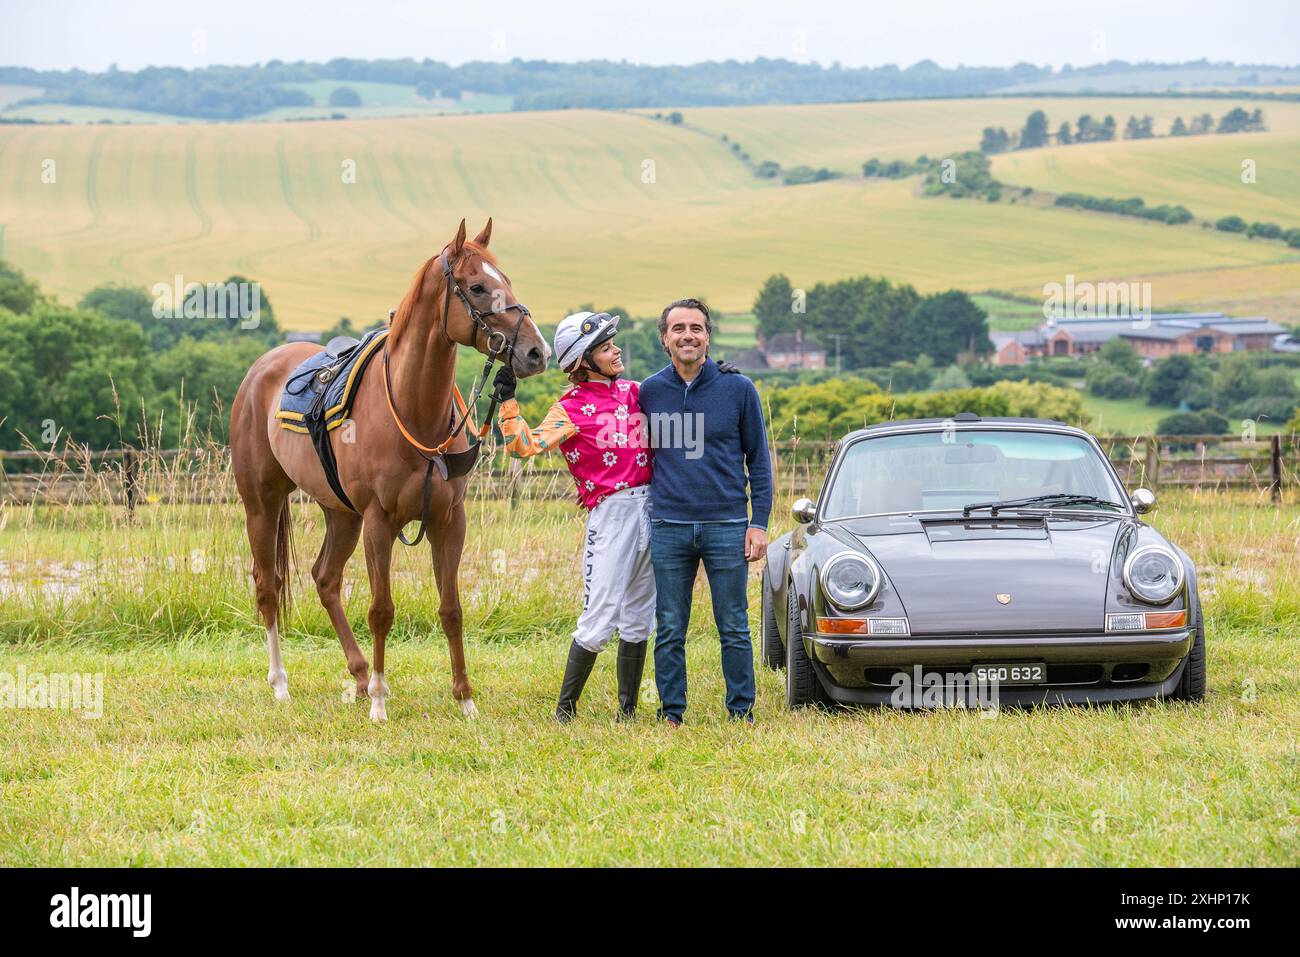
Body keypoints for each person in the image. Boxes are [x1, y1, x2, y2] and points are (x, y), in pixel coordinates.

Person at [493, 312, 655, 722]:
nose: (616, 350)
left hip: (652, 507)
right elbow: (523, 448)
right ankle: (565, 711)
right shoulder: (569, 409)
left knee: (639, 616)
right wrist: (508, 404)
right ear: (582, 360)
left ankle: (628, 711)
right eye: (606, 347)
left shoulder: (636, 392)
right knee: (600, 616)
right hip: (612, 514)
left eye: (612, 343)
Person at [638, 298, 772, 725]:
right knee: (670, 626)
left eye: (696, 327)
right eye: (678, 328)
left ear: (708, 336)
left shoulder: (739, 390)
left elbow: (760, 461)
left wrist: (759, 523)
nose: (687, 336)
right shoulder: (649, 392)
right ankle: (671, 714)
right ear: (665, 338)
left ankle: (741, 712)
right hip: (668, 525)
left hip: (727, 525)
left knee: (733, 625)